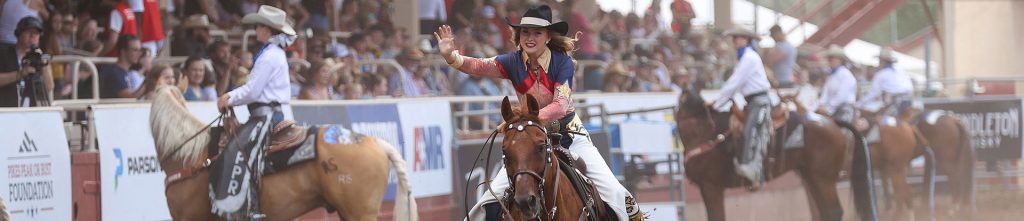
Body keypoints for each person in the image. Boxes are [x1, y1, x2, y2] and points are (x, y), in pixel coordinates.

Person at [437, 5, 643, 221]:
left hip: (571, 137)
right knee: (484, 205)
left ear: (547, 37)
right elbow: (478, 66)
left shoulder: (562, 63)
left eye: (537, 32)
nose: (530, 37)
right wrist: (451, 56)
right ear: (519, 36)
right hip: (530, 141)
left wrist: (525, 119)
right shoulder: (512, 62)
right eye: (525, 32)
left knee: (618, 194)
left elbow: (562, 104)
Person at [213, 6, 295, 218]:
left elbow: (252, 91)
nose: (256, 29)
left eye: (258, 25)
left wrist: (228, 97)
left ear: (267, 29)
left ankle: (253, 209)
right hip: (270, 113)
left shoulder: (269, 56)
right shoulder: (272, 53)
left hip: (265, 116)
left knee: (238, 151)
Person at [713, 27, 772, 189]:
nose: (734, 41)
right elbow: (735, 82)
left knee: (750, 132)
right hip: (752, 102)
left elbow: (735, 82)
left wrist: (717, 103)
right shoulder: (745, 57)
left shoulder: (749, 58)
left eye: (738, 38)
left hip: (759, 101)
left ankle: (754, 170)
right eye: (734, 38)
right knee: (742, 130)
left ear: (746, 39)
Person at [0, 16, 53, 107]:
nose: (33, 36)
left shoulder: (39, 57)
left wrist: (44, 64)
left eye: (36, 33)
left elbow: (49, 86)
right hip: (7, 108)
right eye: (29, 32)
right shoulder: (4, 53)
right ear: (19, 33)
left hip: (31, 110)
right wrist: (20, 74)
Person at [859, 47, 914, 117]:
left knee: (880, 120)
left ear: (882, 61)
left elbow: (874, 93)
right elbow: (910, 88)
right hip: (908, 102)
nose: (879, 63)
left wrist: (859, 103)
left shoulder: (881, 74)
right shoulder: (900, 71)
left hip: (894, 104)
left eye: (879, 61)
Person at [818, 45, 858, 123]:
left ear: (839, 59)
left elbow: (841, 96)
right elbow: (825, 93)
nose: (829, 61)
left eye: (831, 58)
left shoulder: (846, 75)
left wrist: (828, 108)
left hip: (844, 109)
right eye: (829, 58)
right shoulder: (831, 75)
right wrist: (821, 104)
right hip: (830, 108)